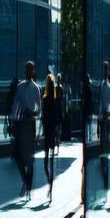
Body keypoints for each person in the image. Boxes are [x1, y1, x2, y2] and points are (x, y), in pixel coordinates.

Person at [10, 60, 42, 201]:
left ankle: (28, 188)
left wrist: (33, 113)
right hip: (21, 123)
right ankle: (25, 182)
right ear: (26, 71)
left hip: (30, 124)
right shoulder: (20, 87)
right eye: (27, 69)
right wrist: (12, 122)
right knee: (18, 156)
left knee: (30, 158)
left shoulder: (36, 88)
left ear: (33, 71)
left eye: (31, 69)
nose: (29, 71)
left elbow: (39, 110)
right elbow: (15, 106)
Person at [41, 73, 63, 204]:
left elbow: (44, 117)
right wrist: (57, 135)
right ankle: (51, 188)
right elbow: (56, 119)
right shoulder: (55, 100)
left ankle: (49, 183)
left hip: (47, 132)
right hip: (52, 132)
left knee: (45, 162)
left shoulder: (45, 99)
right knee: (51, 162)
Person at [98, 60, 110, 192]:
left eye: (105, 69)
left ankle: (105, 178)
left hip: (105, 121)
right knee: (103, 147)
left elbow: (109, 106)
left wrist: (106, 114)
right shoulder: (103, 86)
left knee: (104, 148)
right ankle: (104, 176)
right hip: (102, 120)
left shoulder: (107, 87)